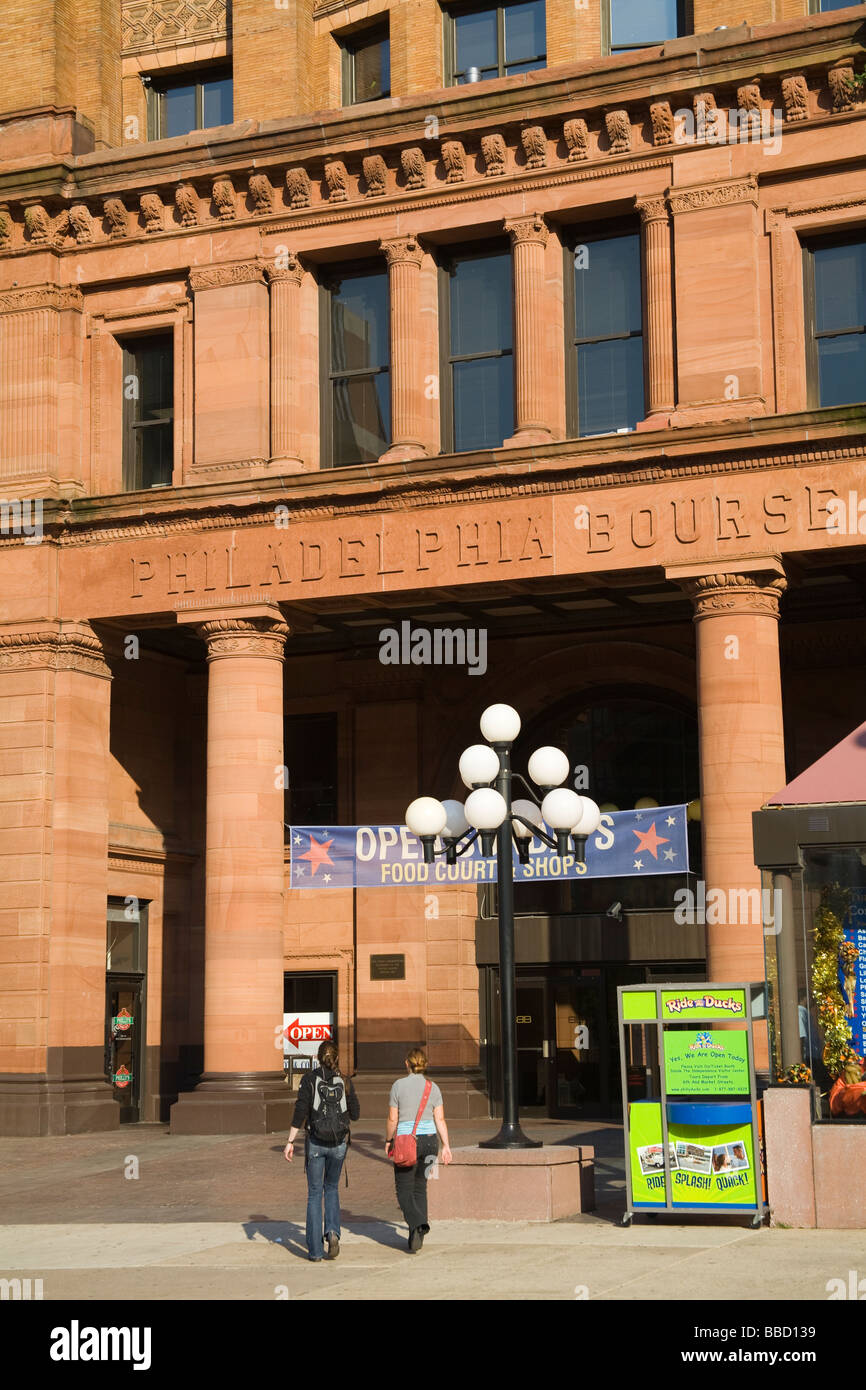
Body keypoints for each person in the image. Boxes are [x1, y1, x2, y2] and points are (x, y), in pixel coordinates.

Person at [284, 1041, 359, 1262]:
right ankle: (333, 1233)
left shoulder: (309, 1079)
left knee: (315, 1194)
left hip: (316, 1142)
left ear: (317, 1058)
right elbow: (355, 1114)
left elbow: (300, 1111)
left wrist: (290, 1141)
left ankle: (315, 1251)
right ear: (337, 1058)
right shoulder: (345, 1081)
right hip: (338, 1144)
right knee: (332, 1188)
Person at [385, 1047, 452, 1253]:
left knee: (403, 1190)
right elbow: (439, 1119)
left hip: (407, 1142)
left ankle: (417, 1224)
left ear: (407, 1064)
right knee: (420, 1186)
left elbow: (393, 1119)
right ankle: (418, 1233)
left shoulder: (398, 1086)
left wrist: (389, 1140)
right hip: (431, 1143)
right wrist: (446, 1146)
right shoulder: (434, 1087)